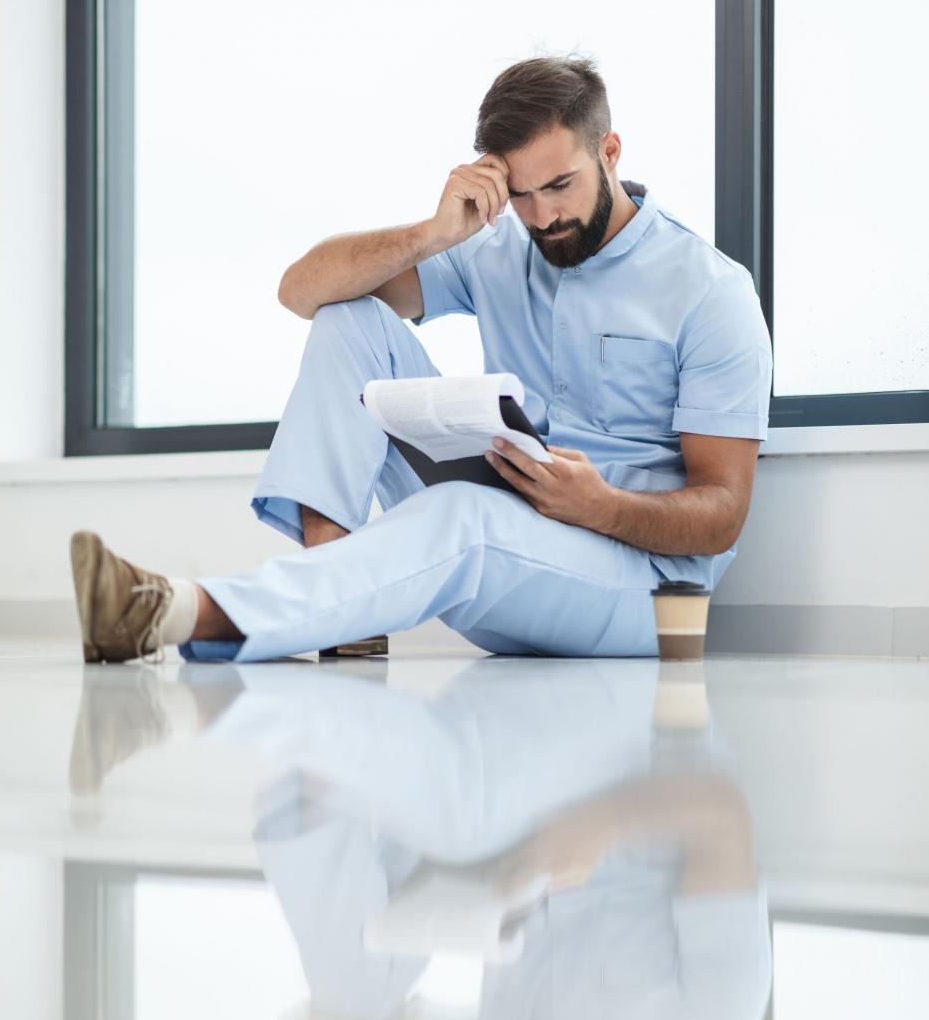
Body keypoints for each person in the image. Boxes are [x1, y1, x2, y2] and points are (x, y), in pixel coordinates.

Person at [69, 53, 773, 665]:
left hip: (637, 588)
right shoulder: (504, 247)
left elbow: (721, 514)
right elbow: (301, 291)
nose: (543, 217)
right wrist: (434, 231)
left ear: (611, 152)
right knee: (350, 316)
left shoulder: (709, 290)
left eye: (560, 186)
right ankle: (340, 611)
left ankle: (172, 609)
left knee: (465, 513)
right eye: (521, 195)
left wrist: (601, 504)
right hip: (513, 535)